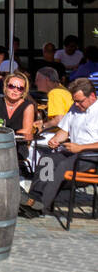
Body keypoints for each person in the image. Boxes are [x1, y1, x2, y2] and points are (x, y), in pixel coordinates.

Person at [19, 78, 98, 218]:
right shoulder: (75, 108)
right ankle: (32, 198)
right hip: (73, 151)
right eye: (75, 101)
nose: (77, 104)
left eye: (80, 101)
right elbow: (64, 131)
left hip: (91, 155)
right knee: (47, 159)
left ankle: (41, 206)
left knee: (62, 166)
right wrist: (56, 139)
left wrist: (81, 148)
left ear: (92, 96)